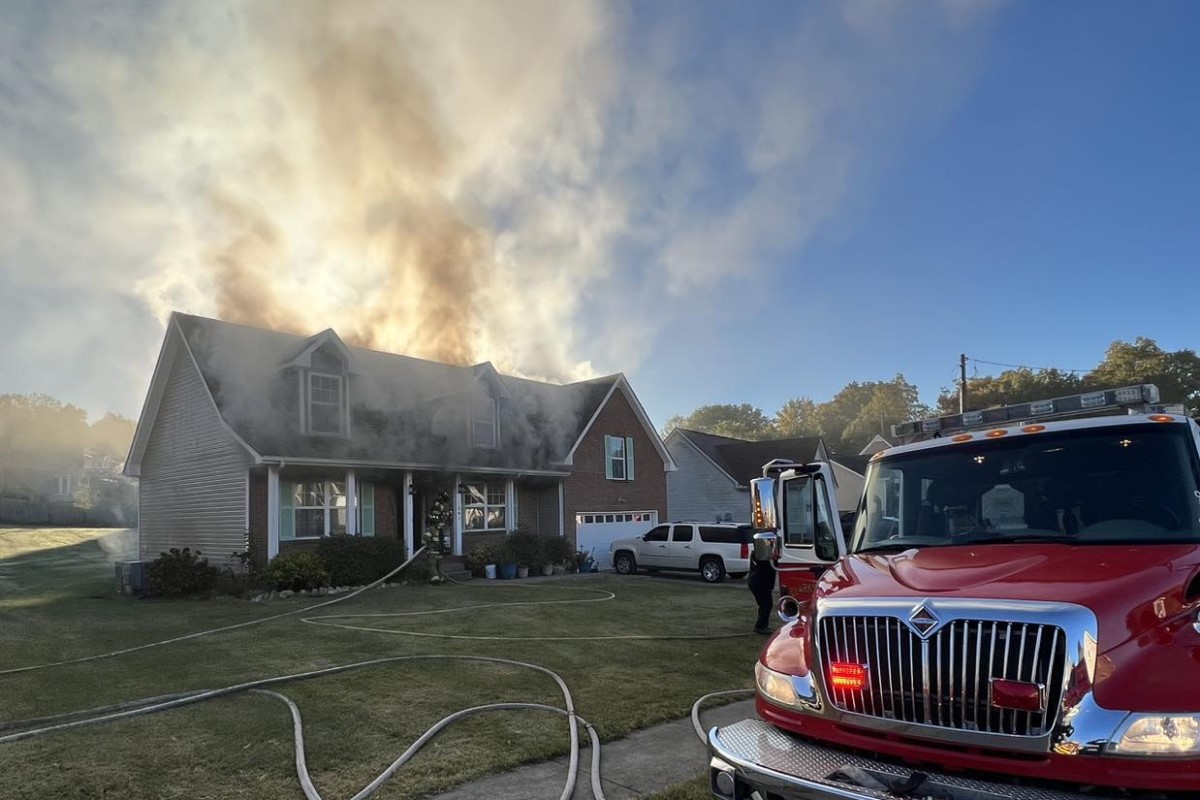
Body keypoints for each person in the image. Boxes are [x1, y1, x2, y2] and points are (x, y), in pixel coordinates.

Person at [747, 545, 776, 634]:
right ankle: (760, 626)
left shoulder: (758, 554)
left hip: (758, 582)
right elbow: (768, 566)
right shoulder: (761, 557)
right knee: (766, 604)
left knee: (764, 604)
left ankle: (763, 625)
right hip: (759, 583)